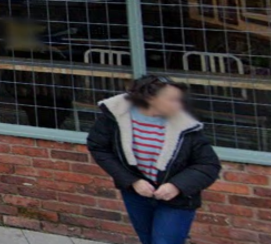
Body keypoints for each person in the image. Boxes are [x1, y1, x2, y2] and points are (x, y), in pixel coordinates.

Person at [86, 75, 222, 244]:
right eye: (171, 99)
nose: (179, 105)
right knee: (147, 239)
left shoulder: (186, 126)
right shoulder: (116, 116)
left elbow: (208, 164)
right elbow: (99, 147)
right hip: (136, 193)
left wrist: (176, 186)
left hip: (177, 198)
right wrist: (132, 181)